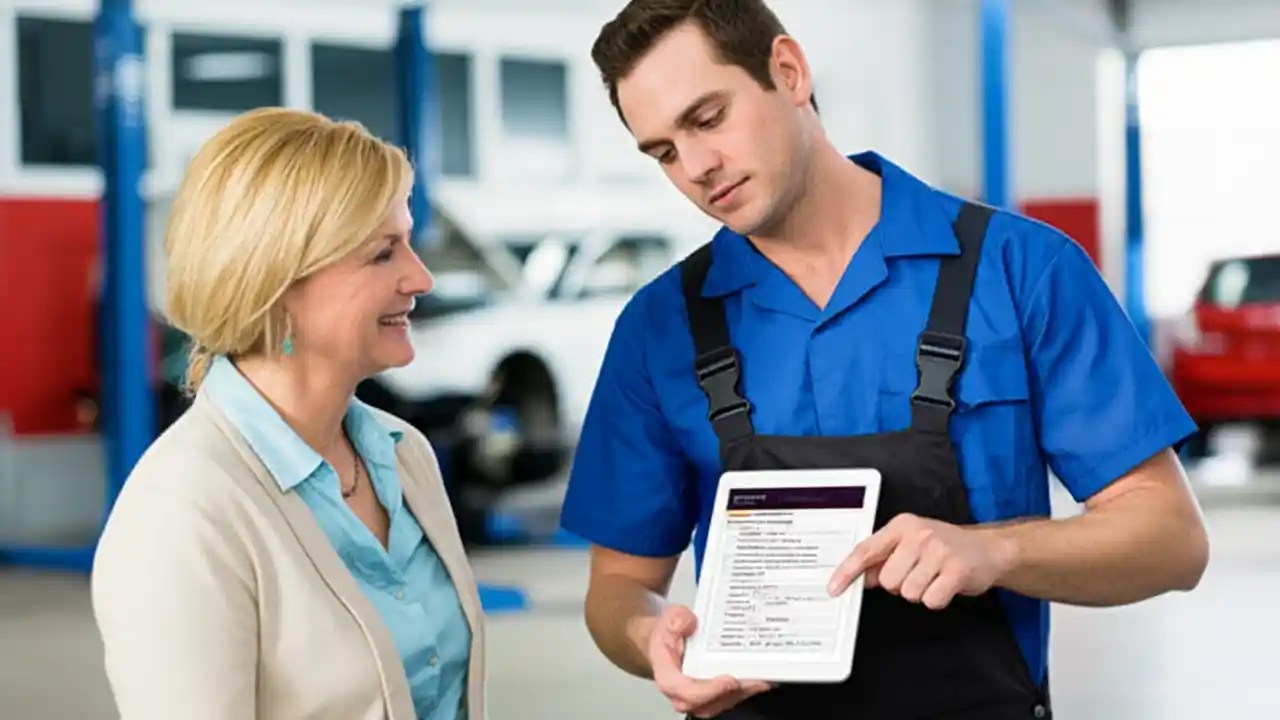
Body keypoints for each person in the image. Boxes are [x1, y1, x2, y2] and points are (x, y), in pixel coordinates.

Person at [558, 2, 1210, 718]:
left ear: (789, 71)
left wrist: (996, 553)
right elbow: (619, 583)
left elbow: (1170, 540)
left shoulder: (1022, 271)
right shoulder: (660, 327)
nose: (697, 168)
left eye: (708, 118)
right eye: (663, 152)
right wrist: (649, 633)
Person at [91, 108, 486, 720]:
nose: (421, 277)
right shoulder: (183, 512)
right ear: (275, 280)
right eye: (385, 253)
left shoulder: (404, 453)